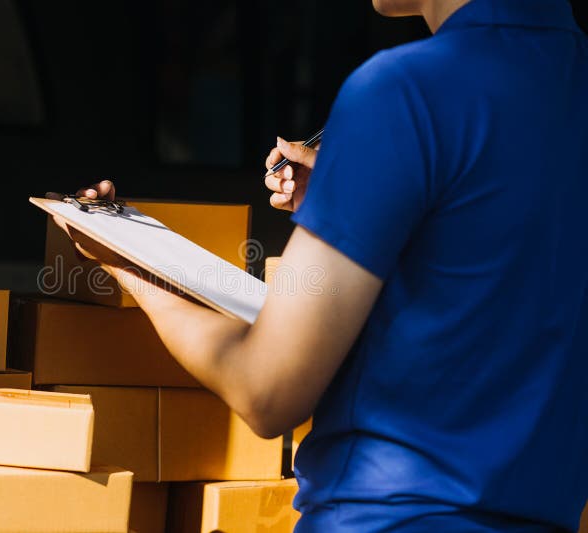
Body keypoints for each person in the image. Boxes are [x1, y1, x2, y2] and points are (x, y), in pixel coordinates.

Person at [51, 0, 588, 530]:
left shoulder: (408, 91)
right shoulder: (565, 76)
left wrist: (127, 264)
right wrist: (360, 205)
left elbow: (267, 392)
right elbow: (503, 275)